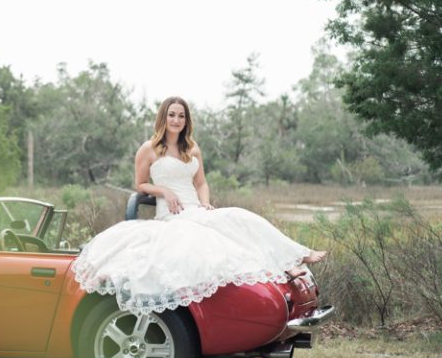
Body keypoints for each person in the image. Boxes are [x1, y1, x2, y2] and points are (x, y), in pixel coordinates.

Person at [72, 96, 327, 315]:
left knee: (239, 217)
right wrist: (164, 190)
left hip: (197, 210)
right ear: (163, 117)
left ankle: (292, 259)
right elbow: (140, 185)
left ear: (186, 120)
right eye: (171, 115)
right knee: (225, 226)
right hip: (172, 216)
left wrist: (205, 203)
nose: (176, 120)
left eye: (181, 116)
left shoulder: (192, 147)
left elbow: (202, 182)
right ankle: (291, 259)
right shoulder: (149, 149)